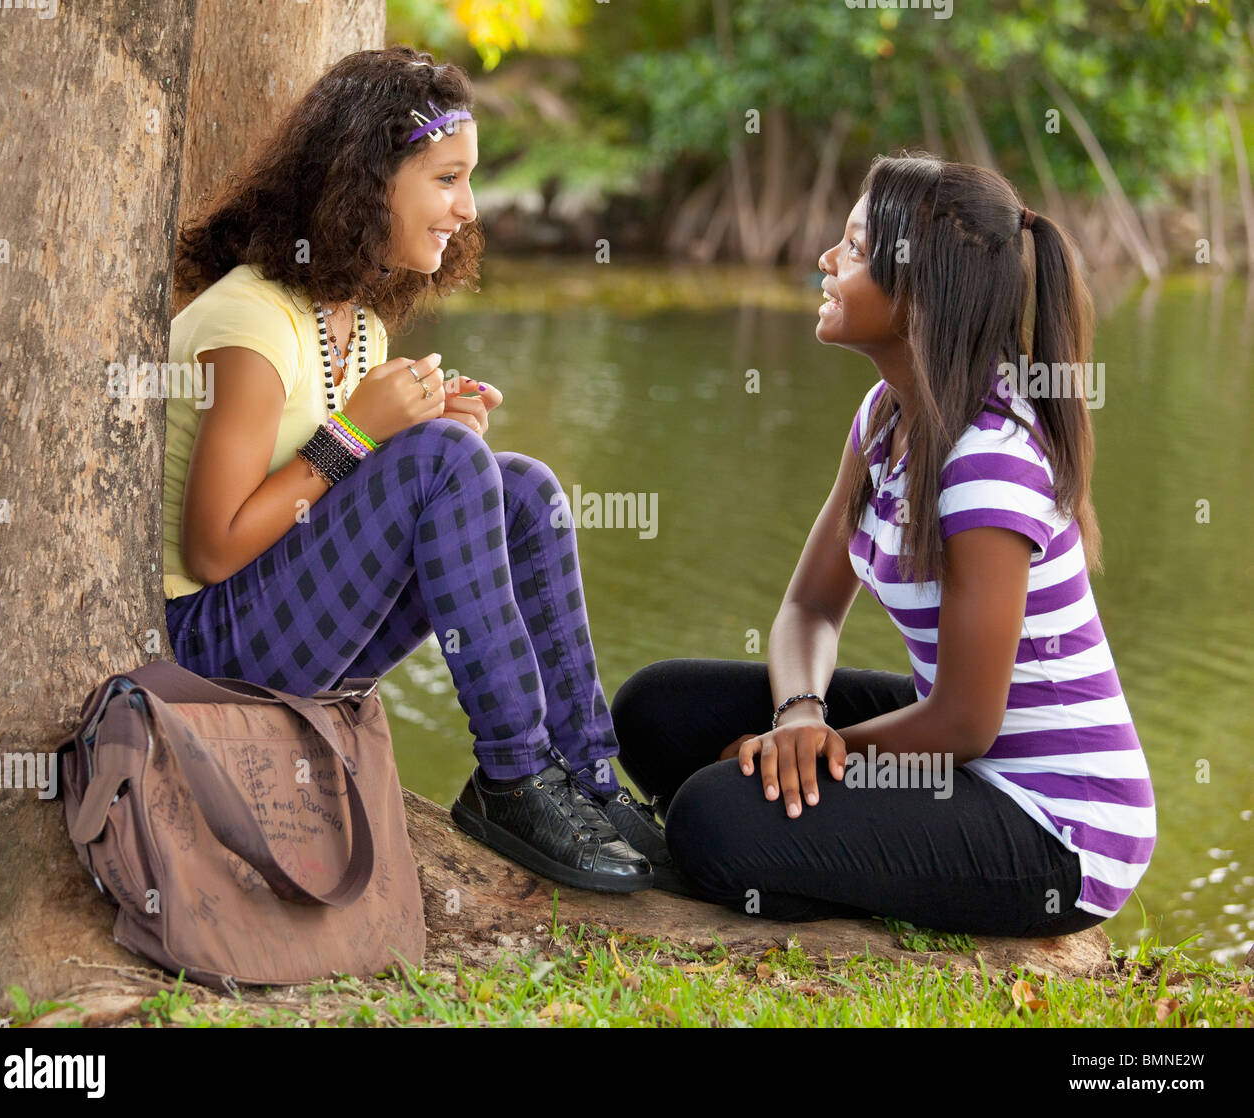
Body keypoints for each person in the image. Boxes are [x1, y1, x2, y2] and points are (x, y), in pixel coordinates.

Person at [611, 152, 1156, 936]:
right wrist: (799, 718)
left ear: (919, 293)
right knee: (656, 709)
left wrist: (809, 752)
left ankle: (802, 868)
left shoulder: (989, 463)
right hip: (963, 749)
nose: (826, 263)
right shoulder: (885, 416)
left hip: (1056, 825)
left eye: (856, 250)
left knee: (711, 820)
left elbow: (969, 724)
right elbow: (809, 608)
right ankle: (803, 847)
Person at [162, 46, 666, 894]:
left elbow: (344, 496)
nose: (467, 209)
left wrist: (433, 440)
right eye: (446, 179)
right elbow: (213, 550)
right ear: (369, 181)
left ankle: (586, 774)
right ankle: (512, 775)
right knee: (444, 459)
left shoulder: (355, 326)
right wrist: (366, 432)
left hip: (283, 620)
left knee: (522, 488)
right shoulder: (252, 324)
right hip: (211, 644)